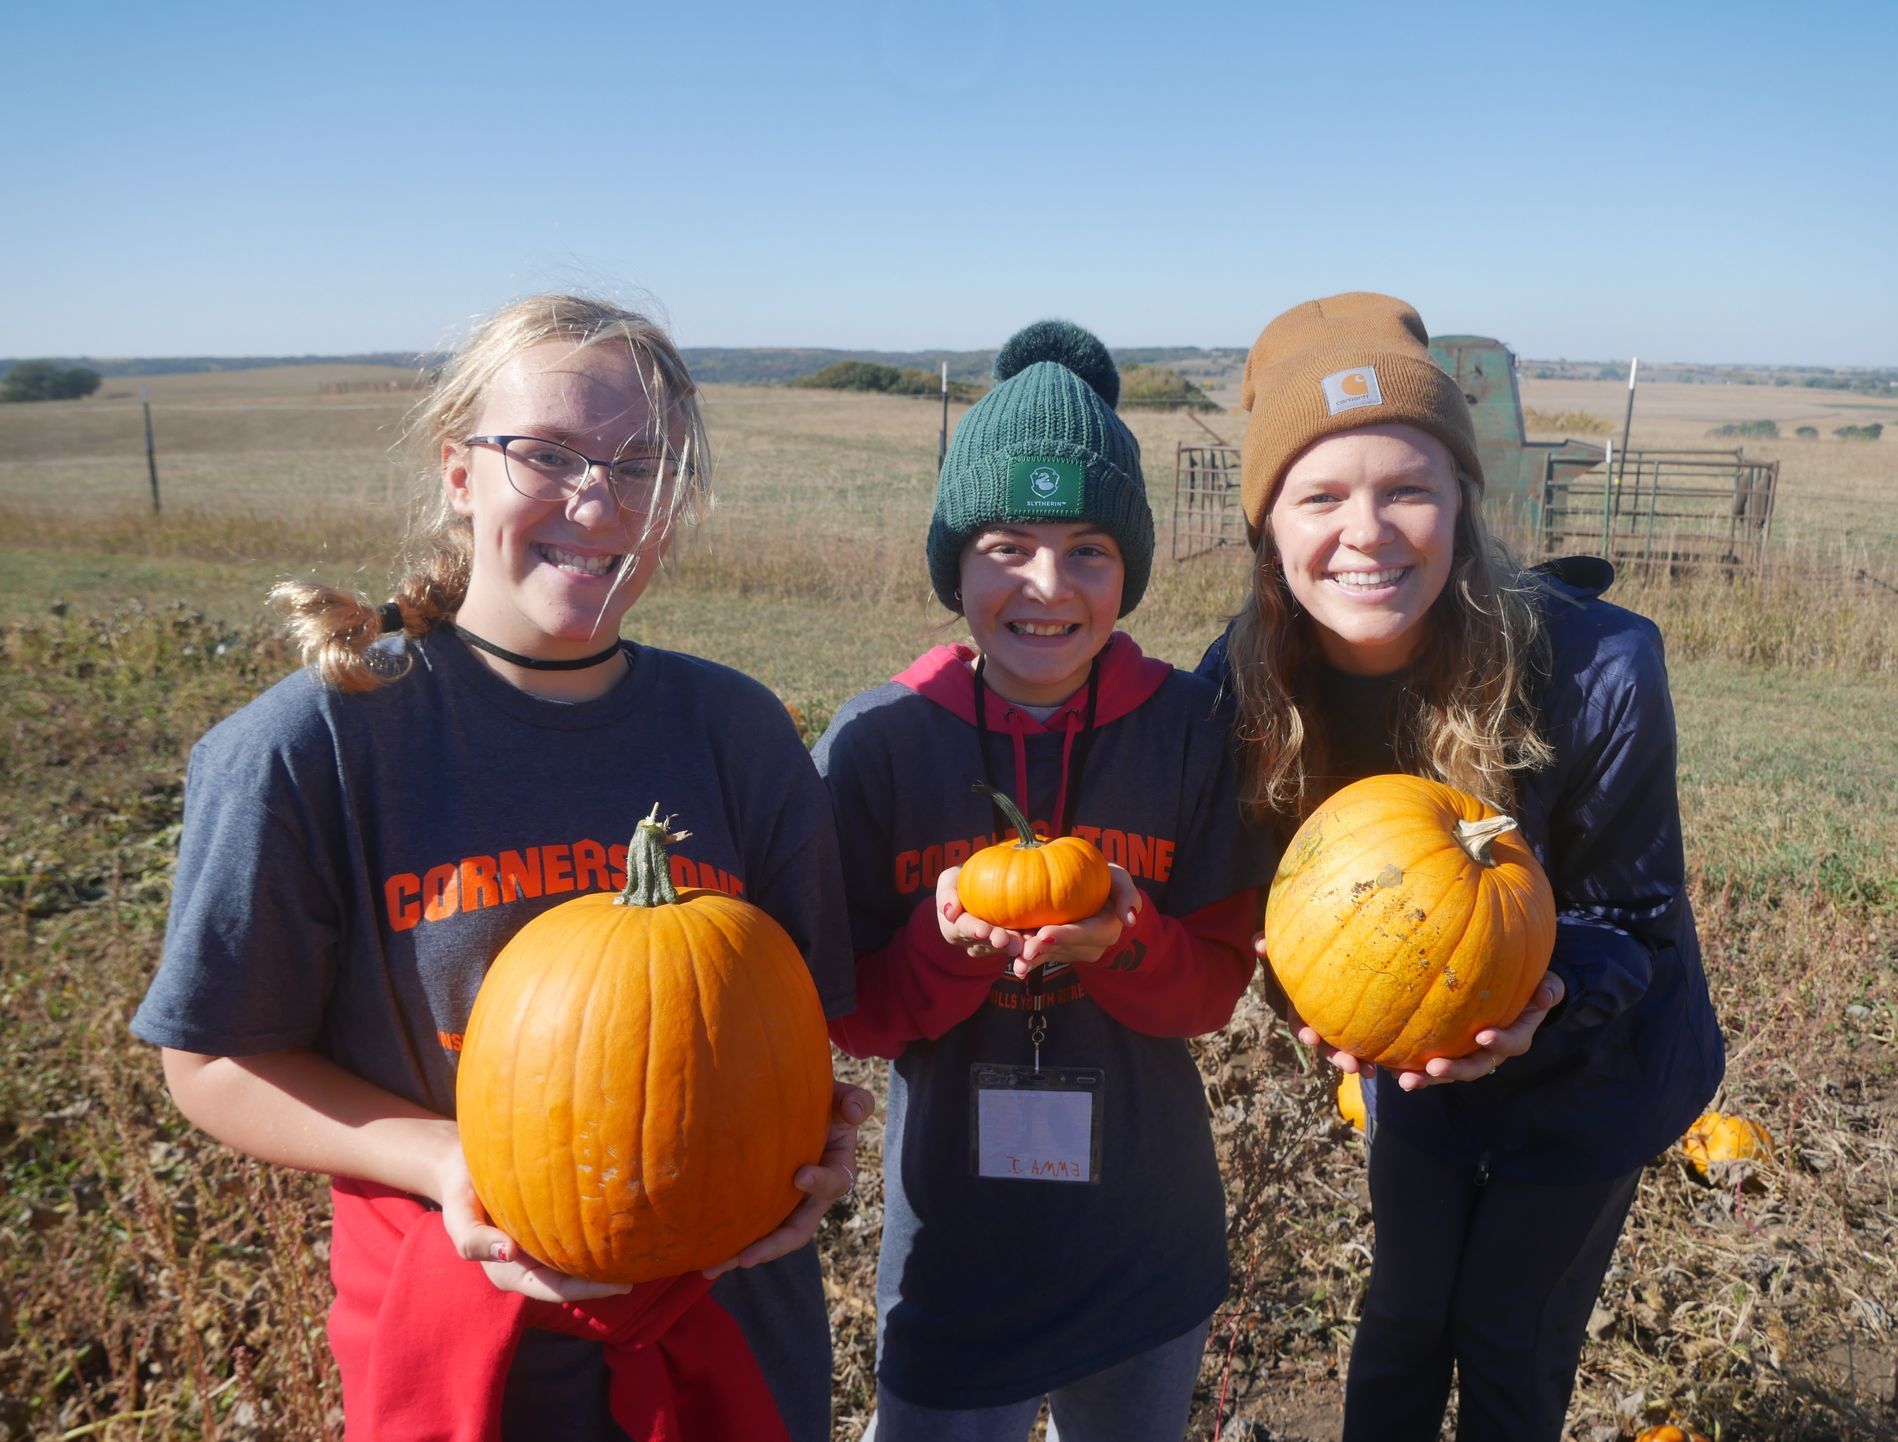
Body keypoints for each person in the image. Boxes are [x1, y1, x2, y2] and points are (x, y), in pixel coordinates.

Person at [131, 293, 870, 1442]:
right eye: (550, 454)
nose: (598, 499)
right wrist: (448, 1160)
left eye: (641, 463)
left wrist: (817, 1141)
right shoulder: (315, 745)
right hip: (462, 1352)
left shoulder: (739, 731)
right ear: (460, 471)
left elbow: (782, 1026)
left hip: (733, 1338)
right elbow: (214, 1058)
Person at [1202, 291, 1725, 1441]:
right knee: (1400, 1324)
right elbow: (1265, 897)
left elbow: (1636, 921)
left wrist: (1538, 998)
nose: (1368, 531)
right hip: (1413, 1047)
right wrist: (1310, 995)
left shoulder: (1602, 668)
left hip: (1597, 1069)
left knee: (1508, 1339)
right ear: (1269, 525)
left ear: (1462, 504)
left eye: (1409, 489)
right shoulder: (1240, 686)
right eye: (1322, 495)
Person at [813, 321, 1273, 1441]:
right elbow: (853, 1009)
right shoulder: (880, 741)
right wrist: (939, 949)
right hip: (954, 1253)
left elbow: (1212, 990)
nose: (1047, 586)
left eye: (1089, 551)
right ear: (954, 559)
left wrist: (1126, 935)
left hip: (1143, 1245)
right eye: (1008, 544)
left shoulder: (1188, 730)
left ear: (1132, 567)